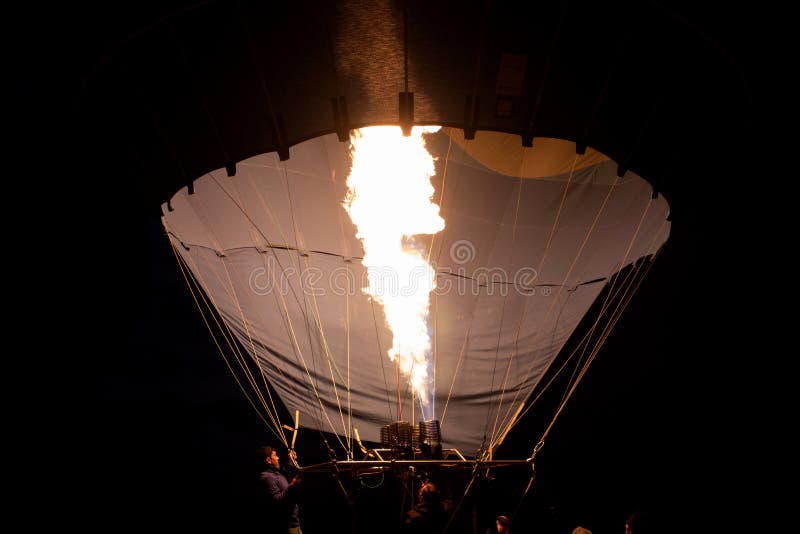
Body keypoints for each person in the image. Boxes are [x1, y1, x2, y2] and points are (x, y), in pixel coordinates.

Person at [259, 445, 303, 534]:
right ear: (268, 460)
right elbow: (277, 500)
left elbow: (285, 472)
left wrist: (290, 460)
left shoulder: (276, 473)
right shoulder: (267, 477)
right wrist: (292, 485)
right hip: (286, 525)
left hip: (294, 522)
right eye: (275, 456)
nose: (278, 458)